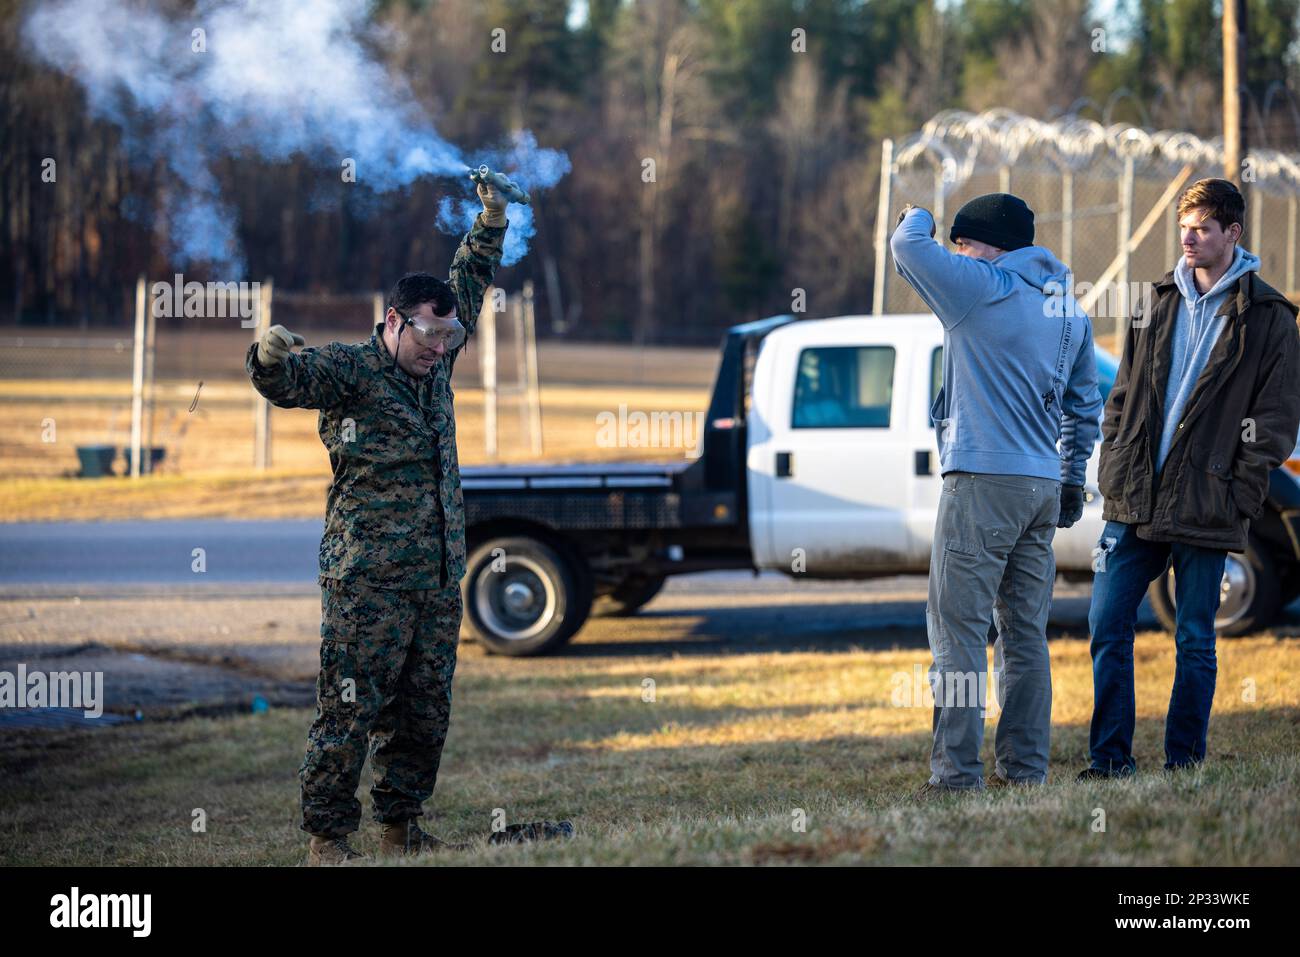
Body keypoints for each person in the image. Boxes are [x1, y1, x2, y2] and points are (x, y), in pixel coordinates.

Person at [247, 175, 509, 865]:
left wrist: (493, 217)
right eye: (429, 335)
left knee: (425, 714)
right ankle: (328, 839)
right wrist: (266, 358)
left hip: (435, 579)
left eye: (449, 337)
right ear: (395, 321)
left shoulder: (439, 364)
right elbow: (286, 381)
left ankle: (402, 827)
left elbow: (470, 278)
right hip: (366, 582)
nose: (440, 348)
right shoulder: (352, 372)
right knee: (349, 712)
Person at [1080, 177, 1300, 779]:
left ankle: (1182, 763)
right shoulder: (1154, 299)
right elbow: (1121, 392)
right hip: (1134, 497)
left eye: (1202, 228)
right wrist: (1114, 459)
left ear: (1233, 232)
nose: (1189, 238)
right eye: (1184, 228)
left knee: (1195, 639)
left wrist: (1240, 488)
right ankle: (1109, 762)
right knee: (1106, 623)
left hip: (1209, 499)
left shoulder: (1269, 317)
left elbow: (1277, 422)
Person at [891, 194, 1102, 795]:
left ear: (991, 244)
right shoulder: (1068, 309)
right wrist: (1069, 476)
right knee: (1025, 635)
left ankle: (956, 775)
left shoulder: (980, 287)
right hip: (1039, 488)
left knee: (956, 632)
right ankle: (1025, 769)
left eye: (964, 241)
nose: (956, 253)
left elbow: (908, 247)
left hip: (982, 484)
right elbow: (1083, 407)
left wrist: (917, 213)